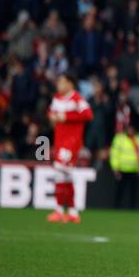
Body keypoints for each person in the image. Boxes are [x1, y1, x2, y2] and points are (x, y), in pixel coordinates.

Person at [47, 73, 92, 223]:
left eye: (62, 82)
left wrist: (67, 117)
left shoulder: (77, 98)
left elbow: (88, 115)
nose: (59, 85)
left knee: (60, 167)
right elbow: (51, 112)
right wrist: (52, 117)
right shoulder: (56, 98)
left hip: (72, 141)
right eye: (58, 82)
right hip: (59, 140)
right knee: (64, 174)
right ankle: (72, 212)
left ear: (70, 84)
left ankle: (60, 210)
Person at [110, 119, 139, 209]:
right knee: (119, 191)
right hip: (122, 169)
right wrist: (115, 167)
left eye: (131, 128)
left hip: (135, 169)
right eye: (128, 128)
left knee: (134, 192)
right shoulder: (119, 138)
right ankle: (116, 208)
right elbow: (114, 154)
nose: (130, 130)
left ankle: (133, 210)